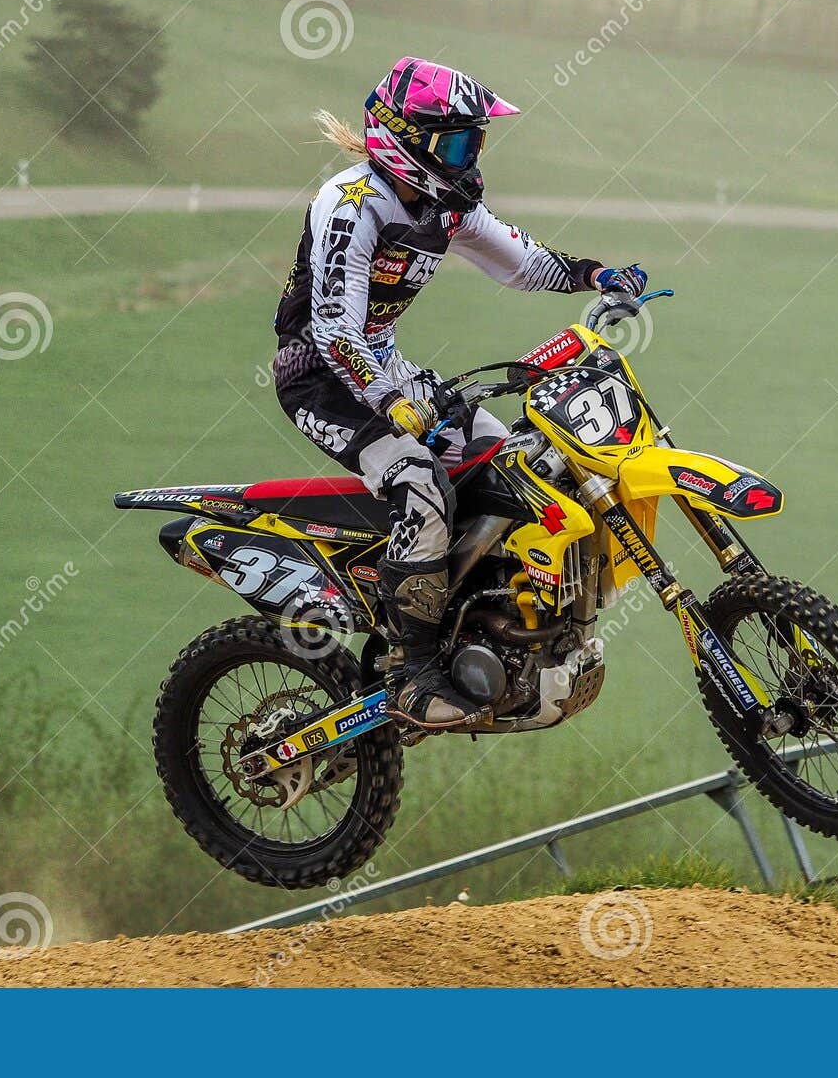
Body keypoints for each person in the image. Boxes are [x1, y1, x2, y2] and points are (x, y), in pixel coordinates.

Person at [271, 56, 646, 728]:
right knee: (419, 483)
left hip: (382, 366)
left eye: (475, 141)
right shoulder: (351, 205)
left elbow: (522, 263)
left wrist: (597, 273)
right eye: (456, 143)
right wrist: (389, 401)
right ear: (405, 140)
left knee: (514, 465)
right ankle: (410, 671)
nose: (469, 157)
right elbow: (333, 328)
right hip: (319, 377)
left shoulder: (446, 206)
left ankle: (482, 626)